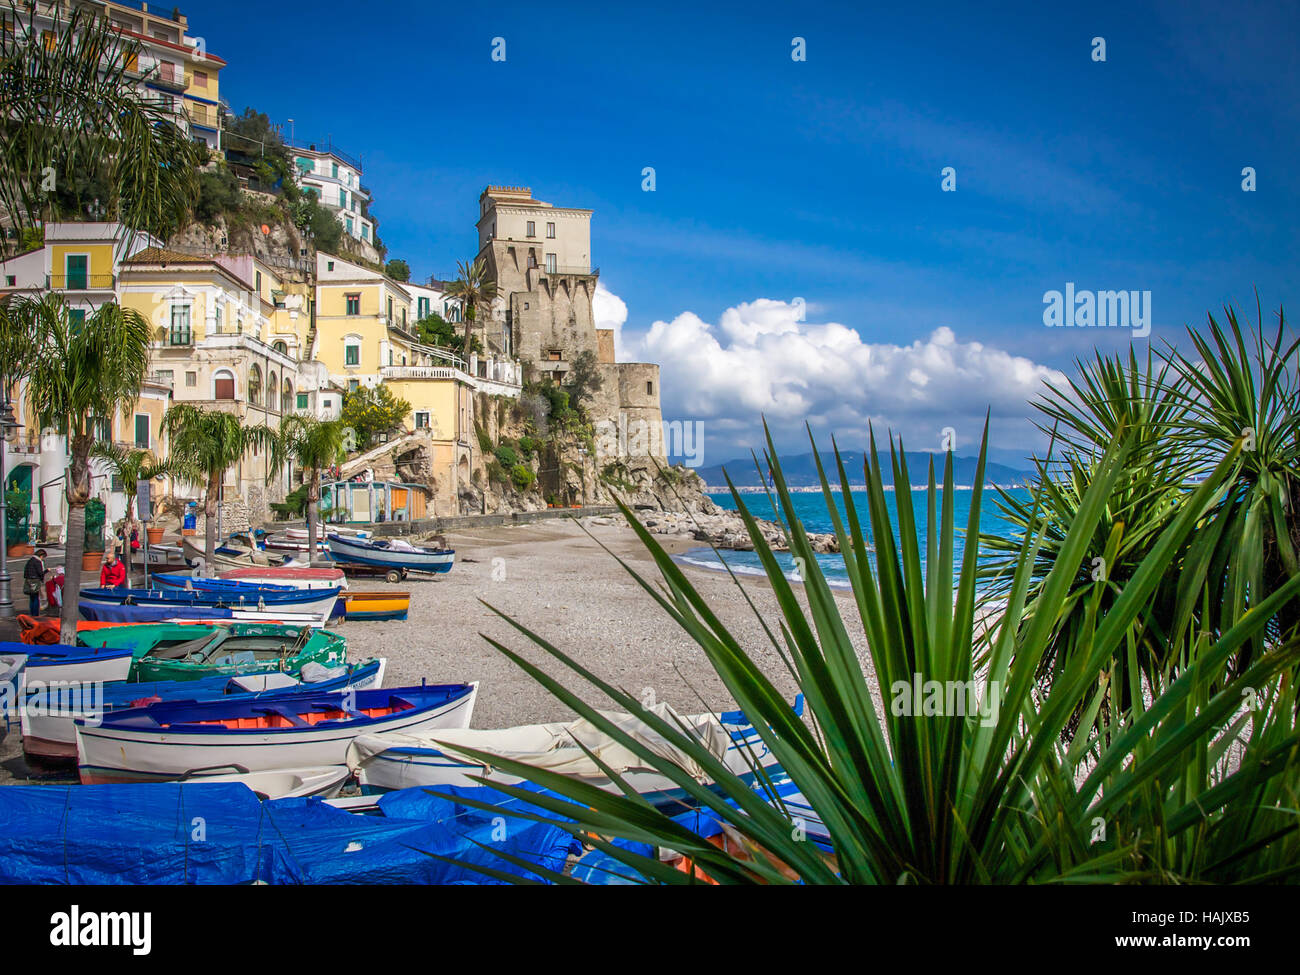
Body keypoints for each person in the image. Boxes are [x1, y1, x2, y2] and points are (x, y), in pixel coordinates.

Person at [22, 549, 46, 616]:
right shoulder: (38, 562)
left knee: (31, 598)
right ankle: (35, 614)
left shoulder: (30, 561)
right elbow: (40, 573)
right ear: (41, 555)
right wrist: (47, 571)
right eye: (43, 557)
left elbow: (25, 573)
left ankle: (32, 612)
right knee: (36, 598)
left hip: (28, 580)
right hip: (35, 581)